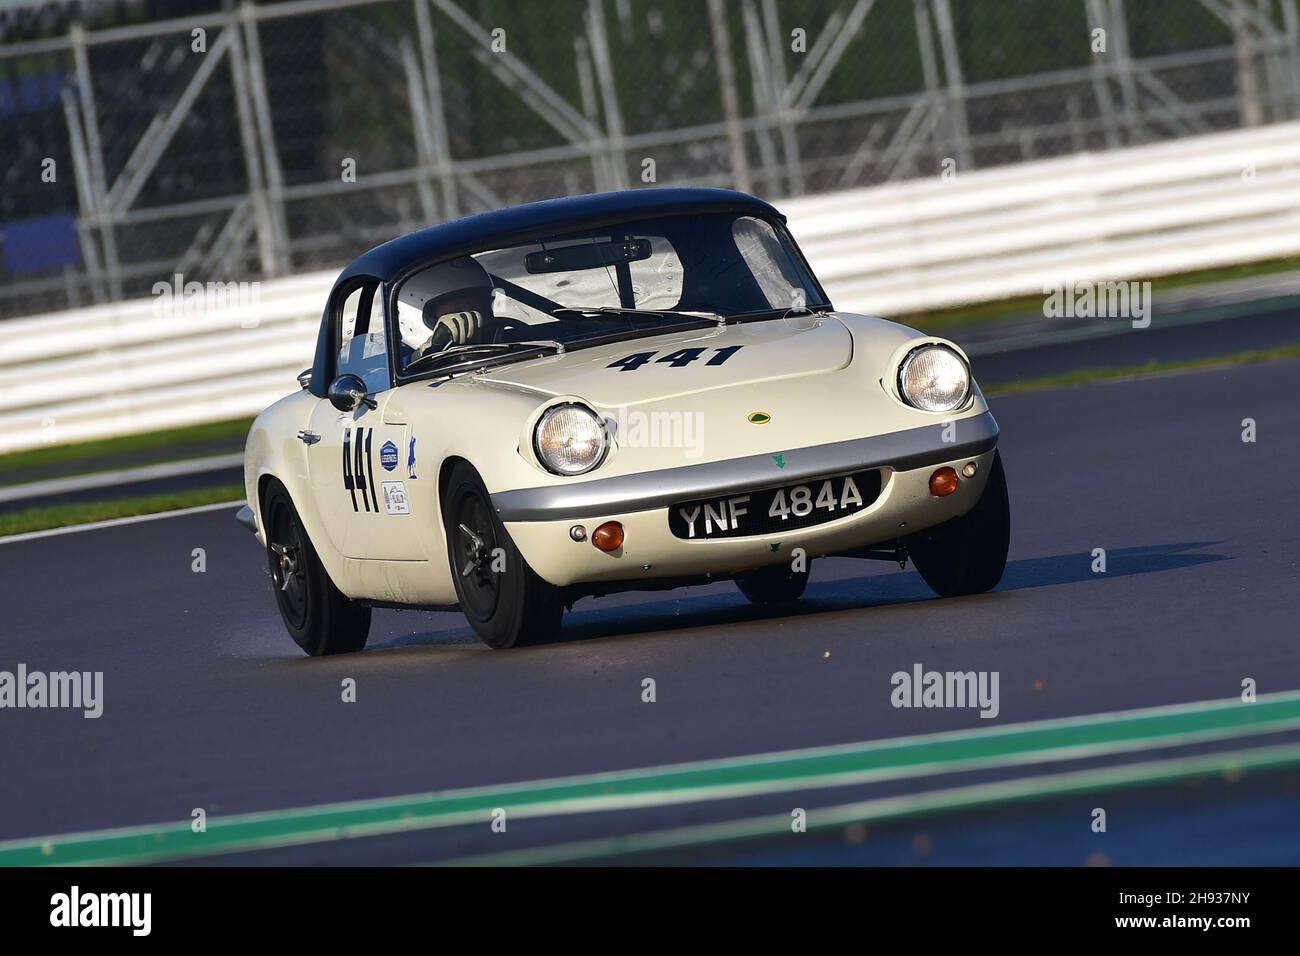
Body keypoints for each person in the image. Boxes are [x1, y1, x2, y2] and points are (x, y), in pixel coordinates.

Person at [397, 256, 495, 365]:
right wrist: (421, 357)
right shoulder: (393, 363)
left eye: (477, 307)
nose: (469, 315)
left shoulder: (502, 340)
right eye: (457, 309)